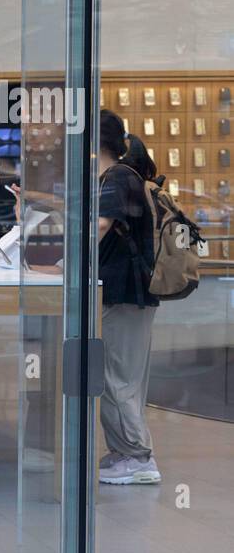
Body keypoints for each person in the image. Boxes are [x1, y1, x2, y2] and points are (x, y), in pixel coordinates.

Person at [96, 114, 162, 485]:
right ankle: (124, 450)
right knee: (116, 375)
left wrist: (64, 259)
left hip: (125, 293)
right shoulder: (115, 177)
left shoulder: (118, 178)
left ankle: (139, 458)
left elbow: (101, 226)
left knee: (118, 377)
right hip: (123, 292)